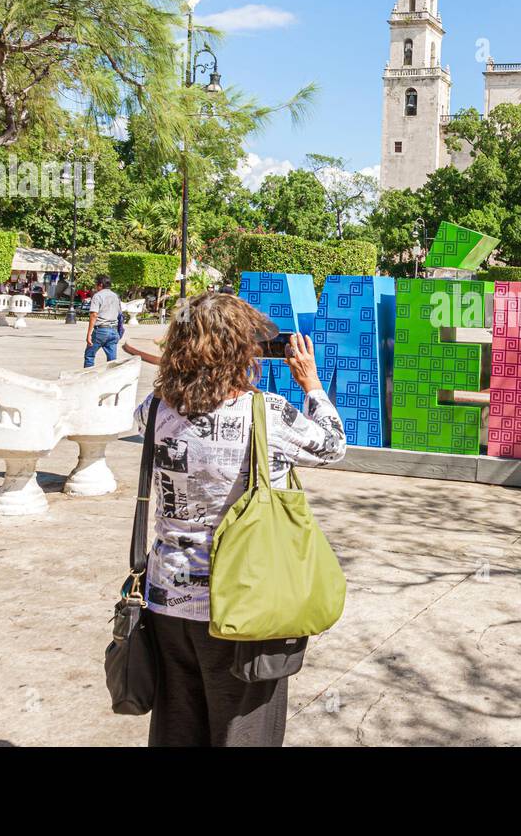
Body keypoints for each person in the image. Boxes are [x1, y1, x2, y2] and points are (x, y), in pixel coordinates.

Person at [134, 291, 346, 746]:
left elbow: (185, 402)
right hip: (245, 602)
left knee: (178, 729)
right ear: (241, 350)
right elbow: (333, 446)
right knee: (244, 732)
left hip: (166, 599)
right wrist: (311, 385)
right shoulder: (266, 413)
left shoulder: (152, 411)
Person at [84, 274, 122, 368]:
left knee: (89, 355)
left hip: (101, 330)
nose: (95, 287)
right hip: (114, 330)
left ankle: (88, 377)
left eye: (96, 284)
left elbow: (94, 315)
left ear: (100, 285)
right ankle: (112, 378)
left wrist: (89, 334)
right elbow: (120, 313)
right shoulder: (116, 296)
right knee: (112, 360)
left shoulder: (98, 296)